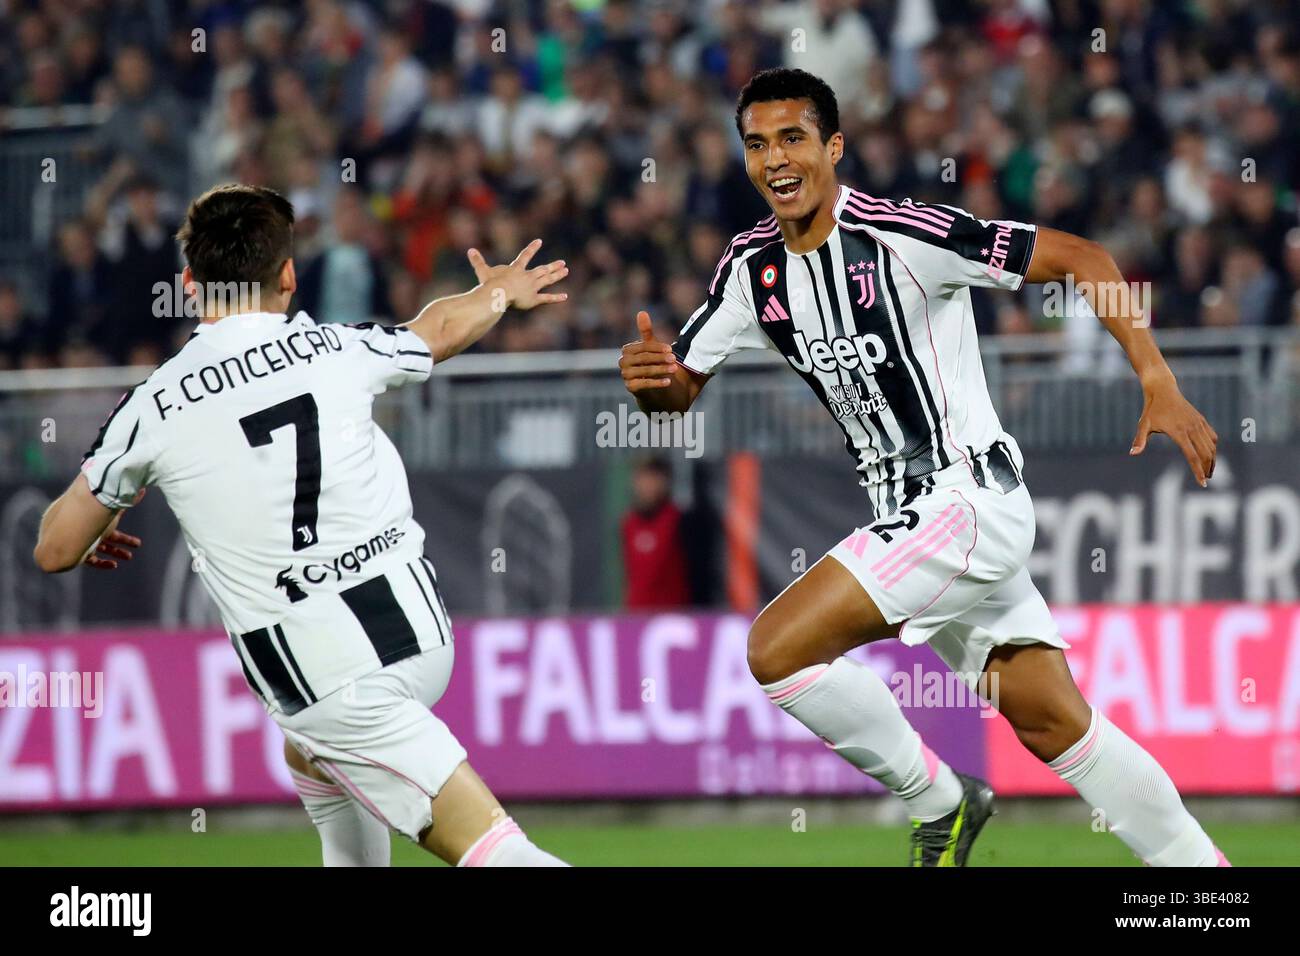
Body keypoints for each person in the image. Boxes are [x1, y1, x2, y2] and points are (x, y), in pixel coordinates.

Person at [619, 69, 1228, 867]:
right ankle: (1207, 885)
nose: (775, 159)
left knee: (776, 650)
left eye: (794, 138)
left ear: (833, 147)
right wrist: (652, 385)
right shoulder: (750, 270)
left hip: (968, 497)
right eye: (758, 143)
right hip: (918, 521)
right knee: (1054, 724)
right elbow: (679, 392)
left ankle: (939, 801)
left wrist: (1156, 378)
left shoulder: (904, 236)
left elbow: (1082, 257)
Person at [34, 184, 570, 868]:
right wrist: (496, 293)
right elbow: (437, 329)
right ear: (287, 277)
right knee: (314, 756)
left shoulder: (154, 405)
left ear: (190, 285)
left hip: (328, 677)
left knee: (498, 853)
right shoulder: (337, 347)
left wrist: (102, 513)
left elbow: (54, 547)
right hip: (420, 631)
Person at [621, 457, 691, 609]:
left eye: (654, 479)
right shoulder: (628, 524)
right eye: (643, 479)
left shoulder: (678, 520)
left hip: (674, 615)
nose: (648, 486)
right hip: (637, 616)